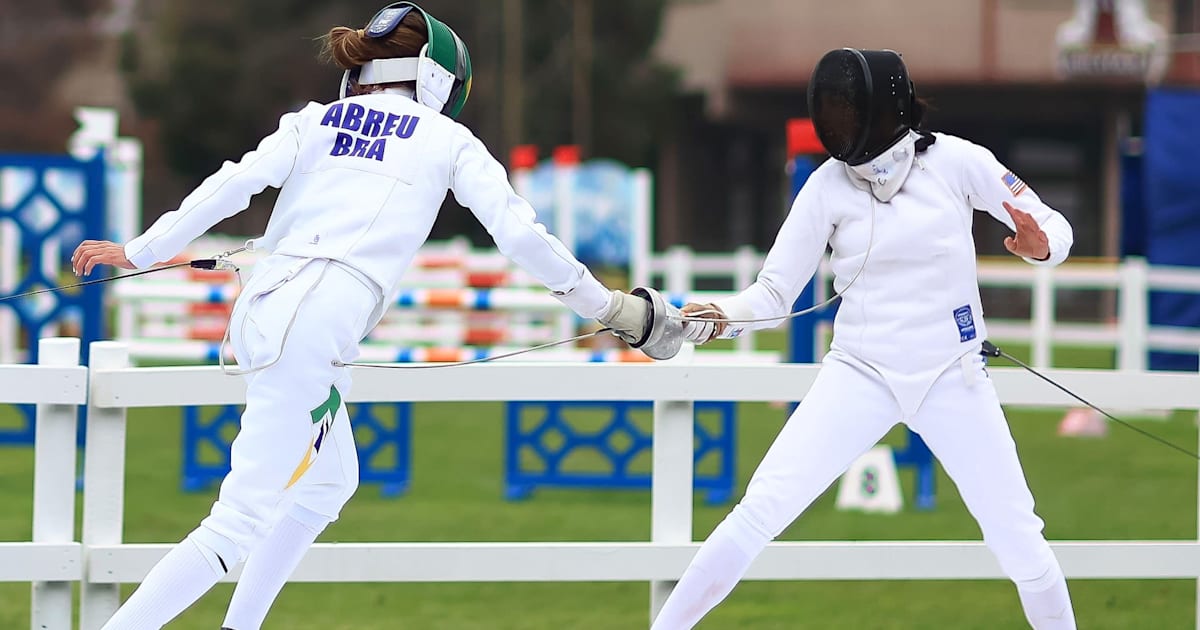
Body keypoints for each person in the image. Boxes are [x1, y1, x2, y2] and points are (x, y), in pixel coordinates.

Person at [70, 3, 650, 628]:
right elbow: (521, 235)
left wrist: (141, 250)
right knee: (233, 526)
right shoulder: (447, 139)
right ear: (438, 81)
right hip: (314, 324)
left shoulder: (315, 122)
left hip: (267, 311)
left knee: (329, 481)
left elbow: (232, 182)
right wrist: (607, 306)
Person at [658, 48, 1077, 629]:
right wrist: (719, 316)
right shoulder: (828, 186)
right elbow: (774, 294)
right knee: (759, 511)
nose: (840, 125)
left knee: (1019, 539)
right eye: (830, 112)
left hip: (952, 375)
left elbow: (1055, 226)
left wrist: (1042, 248)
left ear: (886, 108)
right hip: (860, 374)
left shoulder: (958, 162)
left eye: (848, 111)